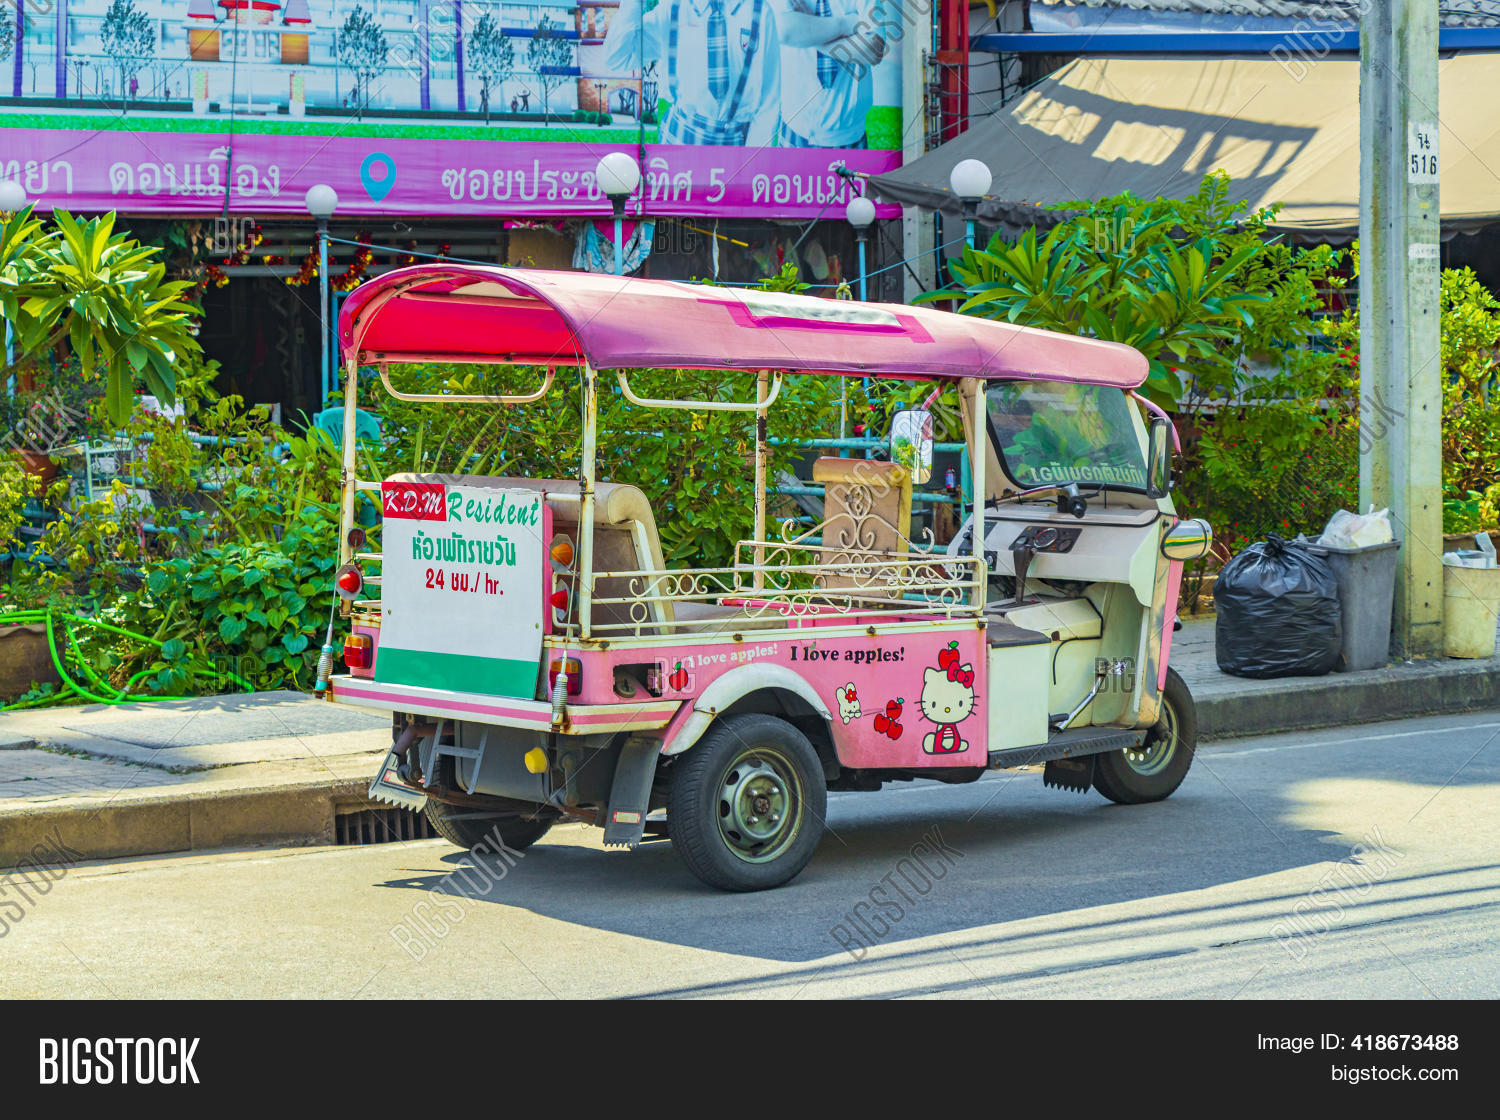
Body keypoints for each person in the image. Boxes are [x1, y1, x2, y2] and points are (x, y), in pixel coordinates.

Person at [604, 0, 779, 145]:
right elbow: (618, 58)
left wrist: (754, 162)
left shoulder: (761, 12)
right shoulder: (672, 9)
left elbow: (769, 102)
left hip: (736, 139)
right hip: (679, 136)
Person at [774, 0, 884, 147]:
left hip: (849, 135)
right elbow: (785, 31)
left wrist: (807, 34)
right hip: (794, 129)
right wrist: (845, 25)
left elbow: (873, 50)